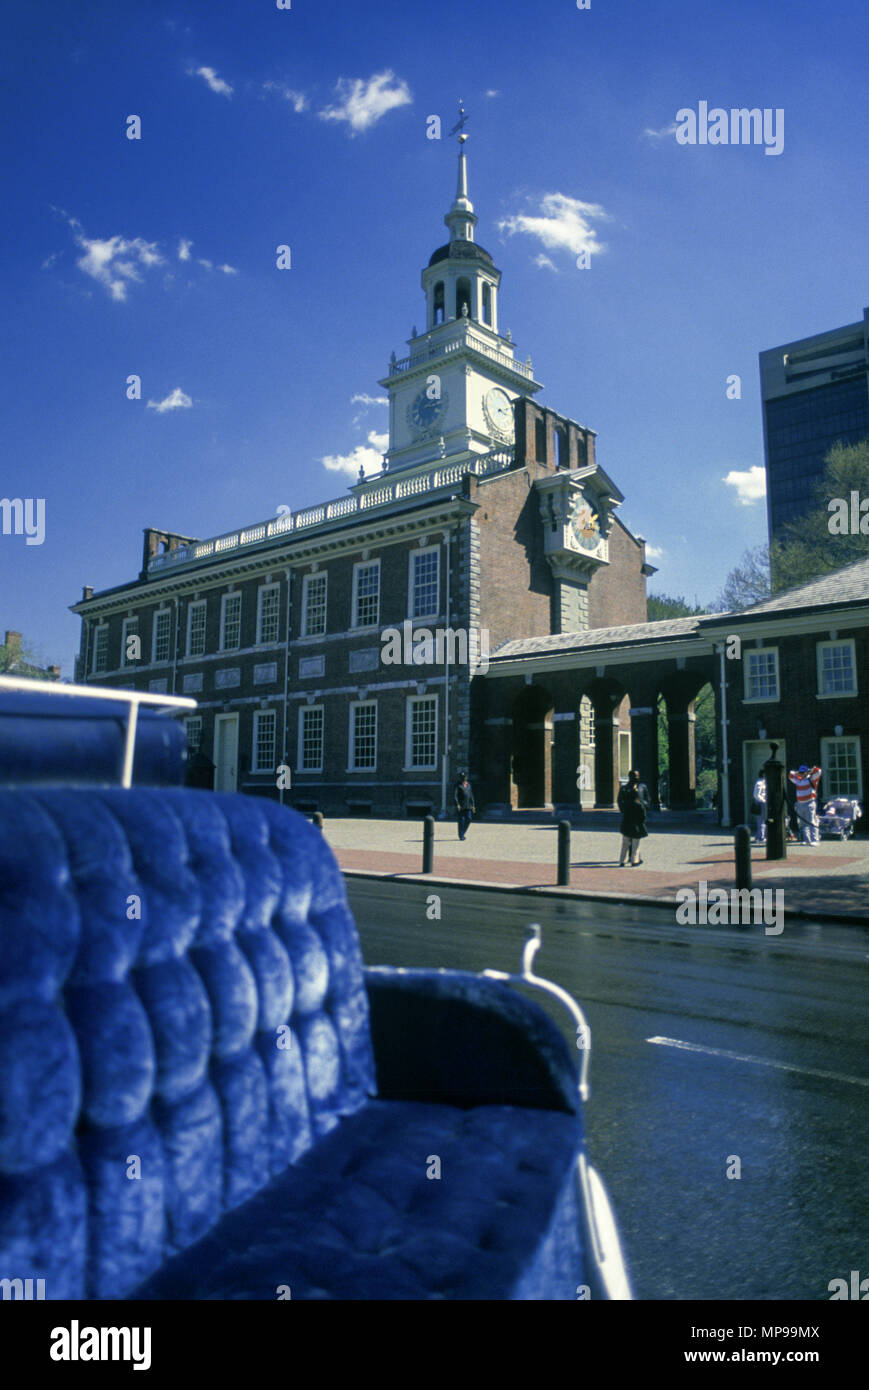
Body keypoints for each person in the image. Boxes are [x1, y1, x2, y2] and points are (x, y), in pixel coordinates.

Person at [787, 763, 822, 845]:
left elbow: (819, 771)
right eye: (801, 772)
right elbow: (790, 775)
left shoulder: (812, 779)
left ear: (806, 772)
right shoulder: (798, 780)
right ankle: (807, 840)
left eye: (803, 772)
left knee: (811, 822)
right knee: (803, 823)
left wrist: (811, 770)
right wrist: (797, 773)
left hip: (810, 803)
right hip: (800, 804)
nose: (802, 774)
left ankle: (815, 840)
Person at [618, 783, 647, 866]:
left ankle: (622, 861)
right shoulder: (639, 805)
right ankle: (634, 861)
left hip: (626, 826)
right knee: (635, 845)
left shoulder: (626, 804)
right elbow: (643, 817)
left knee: (624, 844)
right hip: (636, 827)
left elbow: (623, 812)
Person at [454, 771, 475, 841]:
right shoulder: (457, 785)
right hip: (461, 806)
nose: (463, 779)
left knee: (469, 819)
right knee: (461, 820)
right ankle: (461, 835)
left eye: (464, 777)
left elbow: (471, 795)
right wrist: (457, 804)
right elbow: (455, 796)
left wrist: (473, 805)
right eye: (462, 777)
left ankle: (462, 832)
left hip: (468, 805)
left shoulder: (468, 785)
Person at [751, 772, 767, 844]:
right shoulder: (760, 783)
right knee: (762, 820)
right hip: (761, 803)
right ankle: (761, 837)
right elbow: (756, 794)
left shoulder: (762, 782)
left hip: (760, 803)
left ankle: (758, 836)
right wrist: (763, 800)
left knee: (760, 820)